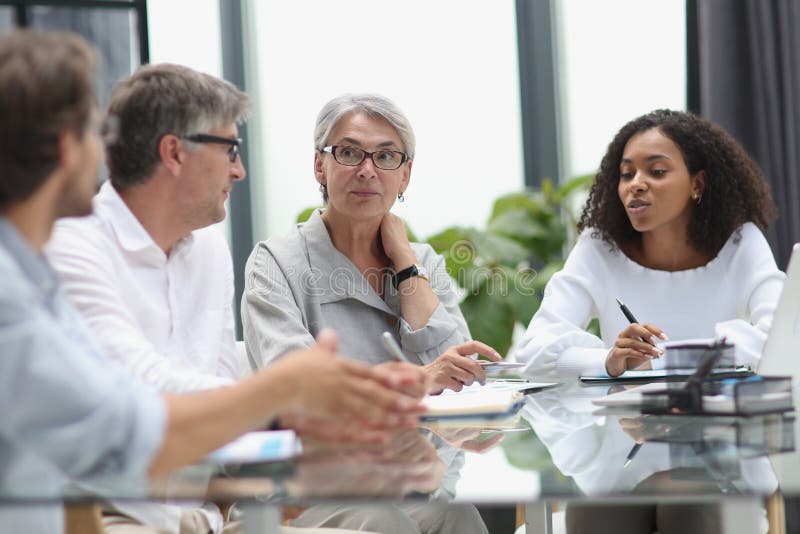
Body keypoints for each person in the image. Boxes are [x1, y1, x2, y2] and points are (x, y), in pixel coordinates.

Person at [0, 30, 423, 534]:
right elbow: (132, 397)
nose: (240, 170)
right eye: (229, 148)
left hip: (206, 513)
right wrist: (286, 396)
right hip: (117, 516)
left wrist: (286, 454)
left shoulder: (205, 252)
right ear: (175, 154)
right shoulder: (58, 257)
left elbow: (211, 392)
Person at [242, 93, 500, 394]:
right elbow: (298, 391)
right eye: (349, 153)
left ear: (405, 175)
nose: (367, 170)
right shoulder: (276, 263)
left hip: (435, 440)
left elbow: (461, 379)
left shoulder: (423, 260)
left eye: (386, 156)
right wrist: (419, 381)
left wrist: (405, 263)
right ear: (319, 165)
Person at [514, 109, 785, 378]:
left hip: (721, 417)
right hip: (630, 419)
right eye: (626, 174)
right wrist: (610, 360)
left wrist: (658, 361)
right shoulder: (600, 248)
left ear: (697, 184)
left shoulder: (740, 243)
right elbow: (533, 352)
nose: (637, 184)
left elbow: (783, 340)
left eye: (656, 171)